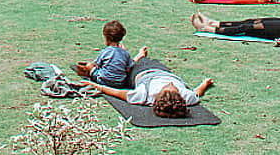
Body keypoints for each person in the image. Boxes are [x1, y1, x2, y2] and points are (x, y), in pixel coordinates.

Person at [78, 46, 214, 118]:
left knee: (128, 67)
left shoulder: (144, 94)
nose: (170, 84)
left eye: (168, 87)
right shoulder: (185, 97)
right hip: (163, 71)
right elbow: (196, 93)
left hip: (142, 73)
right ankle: (133, 55)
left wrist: (97, 86)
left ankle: (136, 56)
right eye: (173, 88)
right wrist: (204, 84)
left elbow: (118, 92)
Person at [75, 20, 136, 88]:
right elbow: (129, 68)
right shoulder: (125, 53)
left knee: (90, 65)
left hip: (103, 81)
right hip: (120, 83)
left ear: (107, 38)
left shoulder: (106, 51)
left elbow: (97, 64)